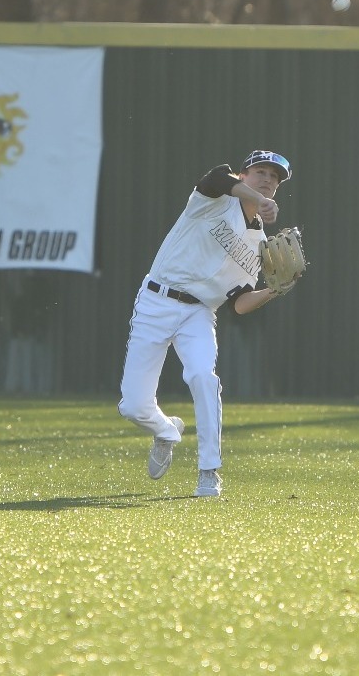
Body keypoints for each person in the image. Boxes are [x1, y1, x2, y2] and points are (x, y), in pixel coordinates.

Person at [117, 150, 294, 497]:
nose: (268, 179)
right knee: (133, 407)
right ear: (243, 175)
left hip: (198, 312)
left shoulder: (259, 244)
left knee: (203, 377)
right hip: (156, 300)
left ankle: (209, 471)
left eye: (274, 177)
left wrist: (274, 290)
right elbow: (215, 178)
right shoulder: (215, 197)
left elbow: (239, 303)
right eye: (260, 171)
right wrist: (258, 199)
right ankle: (166, 431)